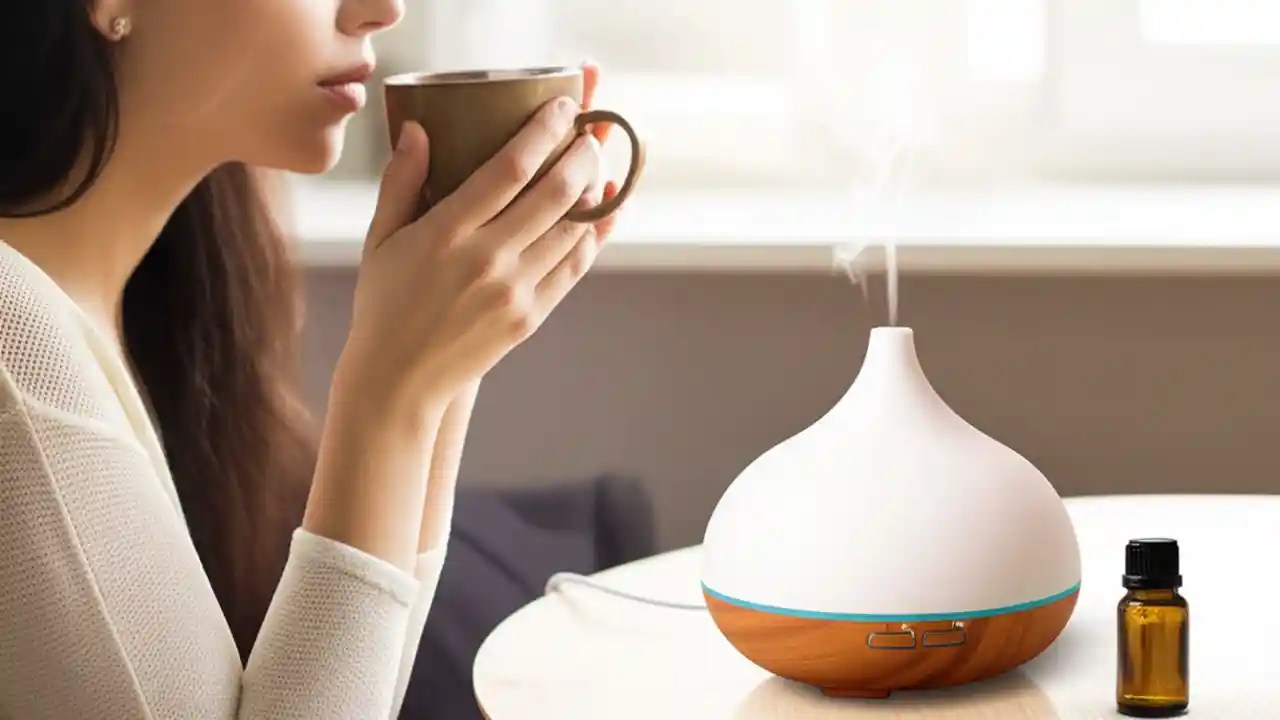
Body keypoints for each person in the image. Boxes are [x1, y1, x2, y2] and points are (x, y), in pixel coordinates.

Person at [0, 1, 620, 717]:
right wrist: (394, 396)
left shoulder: (154, 295)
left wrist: (443, 358)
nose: (382, 10)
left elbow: (355, 693)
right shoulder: (16, 352)